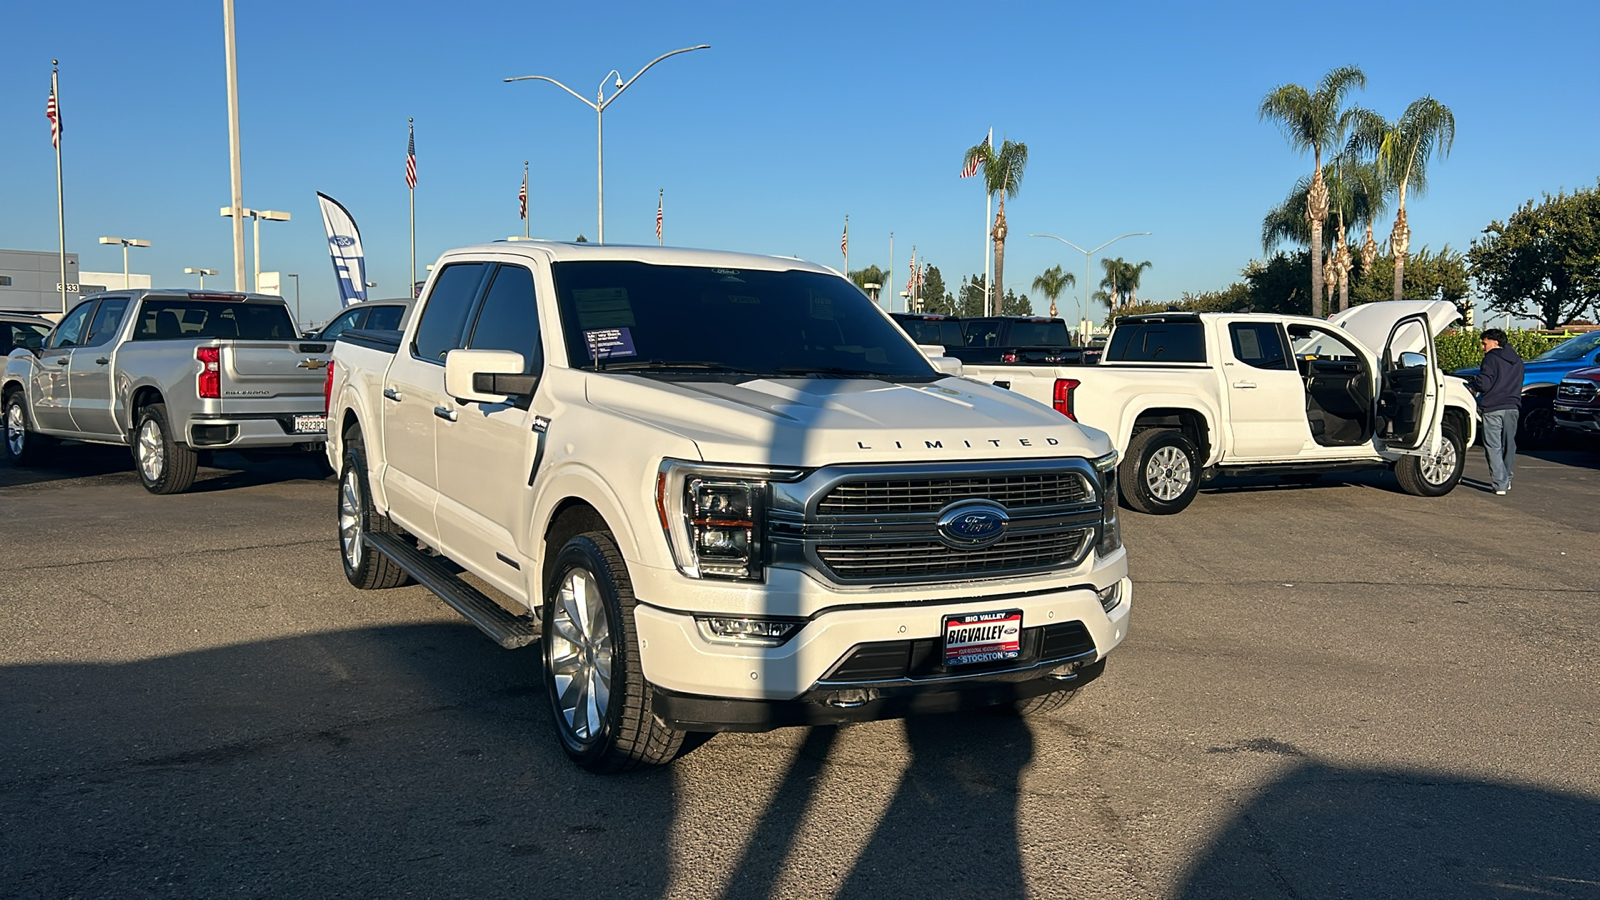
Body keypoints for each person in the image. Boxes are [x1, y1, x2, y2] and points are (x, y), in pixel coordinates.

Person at [1466, 328, 1524, 495]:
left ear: (1495, 342)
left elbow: (1484, 383)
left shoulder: (1491, 358)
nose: (1482, 347)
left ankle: (1500, 483)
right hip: (1512, 406)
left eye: (1484, 343)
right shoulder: (1518, 361)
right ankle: (1507, 478)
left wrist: (1473, 386)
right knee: (1509, 445)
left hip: (1493, 406)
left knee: (1493, 446)